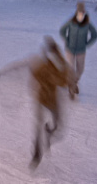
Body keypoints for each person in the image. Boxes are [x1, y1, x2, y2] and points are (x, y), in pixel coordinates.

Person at [28, 37, 69, 169]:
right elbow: (35, 74)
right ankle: (37, 153)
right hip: (41, 98)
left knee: (58, 125)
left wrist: (58, 75)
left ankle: (49, 131)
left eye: (54, 50)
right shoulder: (42, 63)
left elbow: (63, 81)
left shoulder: (60, 63)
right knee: (38, 126)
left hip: (52, 99)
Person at [58, 2, 97, 96]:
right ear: (76, 12)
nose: (80, 14)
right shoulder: (71, 21)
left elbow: (94, 34)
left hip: (81, 50)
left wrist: (87, 44)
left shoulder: (87, 23)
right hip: (70, 49)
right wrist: (66, 41)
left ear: (84, 12)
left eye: (82, 12)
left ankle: (73, 82)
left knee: (80, 70)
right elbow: (62, 31)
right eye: (79, 12)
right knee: (71, 68)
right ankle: (71, 86)